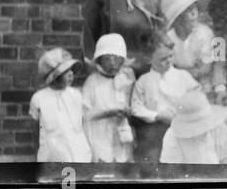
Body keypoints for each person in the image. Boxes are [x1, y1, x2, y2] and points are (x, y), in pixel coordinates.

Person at [159, 68, 227, 164]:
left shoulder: (219, 128)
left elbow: (226, 164)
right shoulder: (172, 135)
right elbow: (172, 171)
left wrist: (220, 87)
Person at [30, 48, 91, 163]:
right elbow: (36, 130)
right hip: (52, 156)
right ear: (54, 76)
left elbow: (82, 124)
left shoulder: (76, 95)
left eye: (71, 70)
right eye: (65, 71)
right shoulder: (39, 98)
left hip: (77, 154)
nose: (71, 74)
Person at [81, 33, 135, 163]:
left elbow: (132, 105)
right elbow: (85, 115)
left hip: (121, 135)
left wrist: (127, 112)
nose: (112, 63)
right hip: (99, 134)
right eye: (108, 58)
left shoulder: (125, 79)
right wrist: (107, 112)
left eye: (117, 58)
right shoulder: (92, 82)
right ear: (99, 60)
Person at [162, 0, 217, 99]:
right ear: (177, 18)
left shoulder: (205, 33)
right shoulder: (169, 38)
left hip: (203, 84)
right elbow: (167, 69)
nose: (194, 13)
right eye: (187, 10)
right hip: (177, 85)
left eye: (194, 8)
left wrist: (178, 72)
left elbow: (205, 69)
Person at [130, 40, 176, 163]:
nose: (168, 61)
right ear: (150, 60)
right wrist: (157, 115)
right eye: (162, 59)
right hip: (153, 130)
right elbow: (136, 108)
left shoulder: (180, 77)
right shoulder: (144, 81)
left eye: (170, 56)